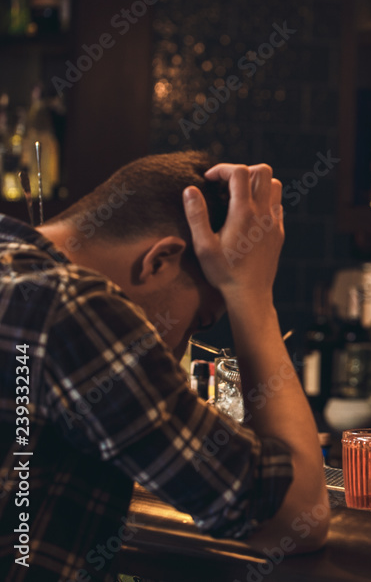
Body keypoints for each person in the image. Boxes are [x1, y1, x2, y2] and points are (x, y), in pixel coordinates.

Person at [0, 152, 330, 581]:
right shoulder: (73, 308)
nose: (176, 352)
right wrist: (250, 292)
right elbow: (297, 515)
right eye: (198, 322)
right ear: (159, 261)